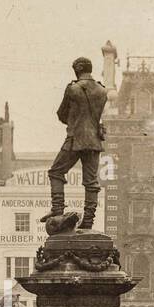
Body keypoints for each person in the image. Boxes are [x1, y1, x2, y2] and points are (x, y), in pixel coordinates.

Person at [43, 56, 108, 233]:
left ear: (77, 70)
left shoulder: (73, 88)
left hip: (75, 139)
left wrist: (75, 120)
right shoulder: (102, 91)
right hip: (94, 141)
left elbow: (62, 114)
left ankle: (57, 211)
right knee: (91, 182)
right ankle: (88, 221)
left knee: (56, 171)